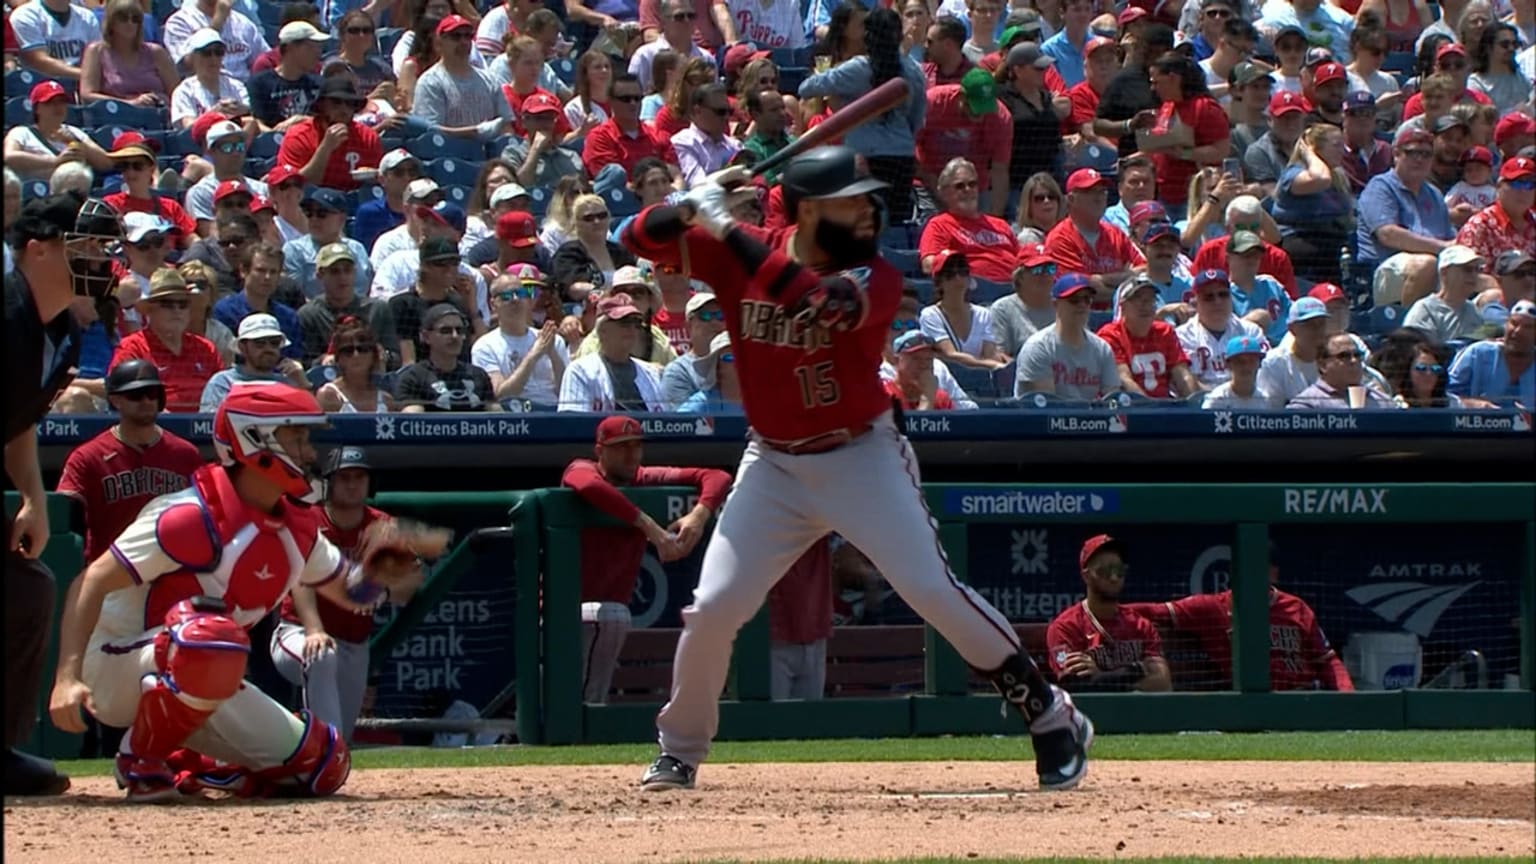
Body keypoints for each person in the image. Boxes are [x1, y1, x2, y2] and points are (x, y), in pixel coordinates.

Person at [621, 147, 1092, 792]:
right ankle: (679, 750)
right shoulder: (744, 246)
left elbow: (817, 304)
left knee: (931, 590)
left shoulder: (874, 274)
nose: (870, 212)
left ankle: (1047, 710)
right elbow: (635, 236)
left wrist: (723, 228)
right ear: (811, 210)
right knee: (714, 607)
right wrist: (689, 203)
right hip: (775, 463)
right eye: (851, 200)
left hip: (860, 455)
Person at [47, 384, 379, 802]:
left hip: (204, 676)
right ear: (256, 439)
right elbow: (90, 581)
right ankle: (142, 759)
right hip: (116, 665)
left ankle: (202, 767)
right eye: (295, 437)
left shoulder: (297, 528)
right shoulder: (187, 516)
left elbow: (354, 590)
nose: (307, 451)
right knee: (211, 638)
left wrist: (393, 567)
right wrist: (67, 678)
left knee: (324, 764)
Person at [4, 193, 122, 795]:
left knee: (24, 590)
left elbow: (18, 422)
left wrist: (31, 496)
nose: (101, 259)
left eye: (104, 248)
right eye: (88, 247)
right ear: (38, 248)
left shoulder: (63, 334)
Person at [561, 416, 729, 703]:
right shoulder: (583, 468)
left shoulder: (643, 477)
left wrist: (699, 516)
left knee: (610, 620)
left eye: (636, 446)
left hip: (607, 613)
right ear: (600, 451)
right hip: (561, 614)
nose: (631, 455)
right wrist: (650, 527)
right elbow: (586, 485)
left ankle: (585, 724)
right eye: (620, 447)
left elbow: (717, 476)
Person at [269, 446, 394, 743]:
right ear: (328, 483)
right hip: (297, 633)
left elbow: (395, 575)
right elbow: (301, 580)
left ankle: (316, 761)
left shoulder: (381, 524)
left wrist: (383, 588)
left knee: (342, 736)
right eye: (345, 477)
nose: (352, 484)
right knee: (321, 655)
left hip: (353, 644)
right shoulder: (307, 519)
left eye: (360, 477)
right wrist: (314, 630)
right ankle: (324, 755)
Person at [1124, 544, 1355, 691]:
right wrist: (1101, 611)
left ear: (1273, 573)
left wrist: (1348, 697)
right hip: (1253, 701)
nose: (1248, 572)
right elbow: (1154, 611)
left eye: (1258, 566)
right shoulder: (1212, 607)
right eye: (1243, 566)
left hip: (1303, 695)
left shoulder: (1296, 607)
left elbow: (1327, 660)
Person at [798, 8, 925, 217]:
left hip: (865, 157)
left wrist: (843, 98)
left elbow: (807, 88)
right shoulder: (914, 70)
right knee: (897, 222)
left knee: (865, 221)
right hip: (902, 156)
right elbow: (916, 118)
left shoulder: (857, 68)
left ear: (868, 36)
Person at [1046, 535, 1171, 693]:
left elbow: (1163, 682)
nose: (1113, 578)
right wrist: (1134, 671)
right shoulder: (1065, 627)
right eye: (1104, 571)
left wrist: (1102, 676)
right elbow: (1076, 685)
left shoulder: (1140, 625)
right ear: (1086, 576)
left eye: (1119, 571)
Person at [1358, 127, 1456, 308]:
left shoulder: (1434, 193)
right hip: (1383, 269)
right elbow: (1388, 235)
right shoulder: (1381, 186)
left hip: (1435, 265)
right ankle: (1410, 330)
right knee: (1426, 264)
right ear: (1396, 154)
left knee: (1485, 281)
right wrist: (1444, 248)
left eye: (1426, 154)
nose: (1419, 159)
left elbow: (1449, 236)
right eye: (1412, 153)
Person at [109, 268, 224, 413]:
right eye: (167, 304)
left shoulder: (206, 348)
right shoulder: (133, 348)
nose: (177, 310)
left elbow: (222, 393)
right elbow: (121, 396)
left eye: (183, 304)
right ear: (150, 310)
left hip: (206, 428)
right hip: (154, 427)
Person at [915, 68, 1014, 218]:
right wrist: (935, 184)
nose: (980, 116)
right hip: (929, 180)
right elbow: (909, 149)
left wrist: (995, 219)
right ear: (962, 96)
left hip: (975, 187)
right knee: (930, 221)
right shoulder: (933, 104)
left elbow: (999, 170)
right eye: (975, 109)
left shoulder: (1001, 118)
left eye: (984, 110)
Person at [471, 268, 571, 411]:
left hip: (554, 411)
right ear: (493, 304)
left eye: (521, 293)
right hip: (515, 414)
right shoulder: (485, 346)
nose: (515, 299)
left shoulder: (552, 339)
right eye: (507, 296)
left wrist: (553, 354)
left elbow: (565, 392)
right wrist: (533, 355)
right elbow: (501, 394)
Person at [1042, 168, 1144, 307]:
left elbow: (1146, 269)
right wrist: (1128, 279)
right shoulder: (1060, 238)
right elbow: (1082, 290)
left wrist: (1102, 279)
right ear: (1071, 199)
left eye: (1102, 191)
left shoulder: (1115, 233)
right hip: (1080, 316)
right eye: (1089, 191)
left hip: (1119, 318)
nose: (1098, 197)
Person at [1014, 273, 1121, 400]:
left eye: (1087, 299)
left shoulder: (1102, 349)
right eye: (1074, 300)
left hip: (1090, 418)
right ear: (1055, 304)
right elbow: (1046, 407)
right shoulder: (1039, 348)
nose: (1082, 305)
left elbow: (1112, 400)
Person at [558, 293, 669, 411]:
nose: (631, 328)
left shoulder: (651, 373)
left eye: (635, 322)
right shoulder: (580, 371)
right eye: (624, 322)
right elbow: (573, 424)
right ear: (602, 331)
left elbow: (664, 423)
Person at [412, 16, 514, 141]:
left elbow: (506, 126)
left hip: (489, 155)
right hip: (449, 155)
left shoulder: (490, 79)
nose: (464, 41)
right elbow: (430, 132)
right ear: (439, 43)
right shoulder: (430, 82)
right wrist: (476, 132)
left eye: (468, 36)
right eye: (456, 36)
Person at [920, 158, 1022, 283]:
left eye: (972, 184)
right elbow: (928, 265)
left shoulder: (1000, 224)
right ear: (944, 193)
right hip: (973, 293)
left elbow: (1022, 260)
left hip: (1015, 290)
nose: (968, 190)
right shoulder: (939, 225)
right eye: (960, 186)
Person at [1098, 277, 1200, 399]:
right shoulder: (1110, 335)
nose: (1145, 306)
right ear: (1123, 307)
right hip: (1129, 409)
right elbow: (1123, 380)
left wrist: (1195, 404)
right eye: (1138, 300)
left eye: (1150, 300)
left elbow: (1182, 374)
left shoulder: (1165, 332)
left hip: (1166, 408)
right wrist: (1151, 410)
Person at [298, 243, 399, 366]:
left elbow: (396, 358)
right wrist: (322, 360)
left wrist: (384, 355)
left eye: (347, 270)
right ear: (320, 275)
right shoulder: (309, 315)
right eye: (335, 272)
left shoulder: (377, 309)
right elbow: (305, 362)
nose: (342, 277)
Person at [275, 77, 383, 191]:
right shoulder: (299, 136)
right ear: (322, 105)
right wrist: (326, 148)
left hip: (353, 203)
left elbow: (378, 180)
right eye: (336, 103)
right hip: (310, 204)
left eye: (350, 103)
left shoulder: (367, 137)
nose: (343, 109)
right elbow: (293, 187)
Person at [394, 303, 499, 412]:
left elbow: (497, 417)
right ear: (426, 337)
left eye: (459, 330)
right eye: (446, 331)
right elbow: (412, 421)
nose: (455, 336)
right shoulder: (413, 378)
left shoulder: (478, 375)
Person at [1177, 268, 1269, 388]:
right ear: (1195, 302)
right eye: (1209, 297)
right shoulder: (1183, 336)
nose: (1217, 301)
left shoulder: (1251, 332)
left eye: (1223, 295)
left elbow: (1266, 373)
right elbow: (1188, 384)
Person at [199, 315, 309, 411]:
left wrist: (303, 384)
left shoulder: (287, 383)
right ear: (242, 347)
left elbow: (314, 423)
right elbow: (211, 424)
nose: (268, 348)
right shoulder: (223, 382)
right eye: (260, 343)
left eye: (274, 343)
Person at [920, 250, 1007, 370]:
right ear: (938, 282)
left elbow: (989, 355)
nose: (958, 278)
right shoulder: (930, 315)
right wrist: (994, 365)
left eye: (962, 271)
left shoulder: (983, 314)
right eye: (949, 273)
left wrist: (994, 363)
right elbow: (950, 354)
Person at [1457, 157, 1536, 276]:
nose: (1523, 191)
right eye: (1516, 183)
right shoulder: (1480, 225)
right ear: (1499, 186)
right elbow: (1470, 277)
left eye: (1530, 184)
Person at [1448, 299, 1535, 405]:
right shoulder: (1477, 354)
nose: (1518, 331)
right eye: (1514, 323)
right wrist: (1474, 404)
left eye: (1528, 327)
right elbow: (1446, 396)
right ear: (1506, 325)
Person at [1287, 332, 1396, 409]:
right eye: (1344, 356)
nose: (1354, 361)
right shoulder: (1307, 406)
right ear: (1323, 365)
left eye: (1357, 355)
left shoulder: (1383, 402)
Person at [1255, 296, 1329, 408]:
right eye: (1310, 324)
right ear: (1292, 329)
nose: (1317, 329)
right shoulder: (1274, 363)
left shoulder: (1336, 358)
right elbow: (1270, 413)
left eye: (1321, 323)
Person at [1402, 245, 1486, 344]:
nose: (1474, 275)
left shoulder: (1472, 310)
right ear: (1444, 273)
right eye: (1467, 269)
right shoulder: (1425, 310)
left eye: (1477, 270)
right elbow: (1414, 353)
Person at [315, 315, 397, 413]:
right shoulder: (328, 396)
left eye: (363, 349)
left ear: (373, 355)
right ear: (338, 358)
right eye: (348, 350)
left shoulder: (387, 401)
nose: (356, 355)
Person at [660, 293, 728, 406]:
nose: (715, 322)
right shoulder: (678, 371)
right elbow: (681, 421)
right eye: (705, 316)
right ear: (688, 326)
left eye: (720, 316)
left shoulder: (740, 364)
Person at [991, 244, 1059, 357]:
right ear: (1020, 276)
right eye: (1037, 270)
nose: (1044, 275)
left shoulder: (1065, 306)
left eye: (1049, 269)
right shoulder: (1003, 309)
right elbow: (1000, 356)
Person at [1225, 230, 1292, 345]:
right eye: (1246, 255)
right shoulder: (1222, 293)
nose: (1251, 260)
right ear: (1228, 258)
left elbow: (1295, 316)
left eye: (1256, 256)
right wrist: (1247, 324)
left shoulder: (1271, 284)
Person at [1201, 334, 1271, 408]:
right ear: (1228, 365)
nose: (1246, 366)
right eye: (1239, 361)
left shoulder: (1265, 400)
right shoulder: (1218, 399)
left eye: (1251, 361)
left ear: (1259, 363)